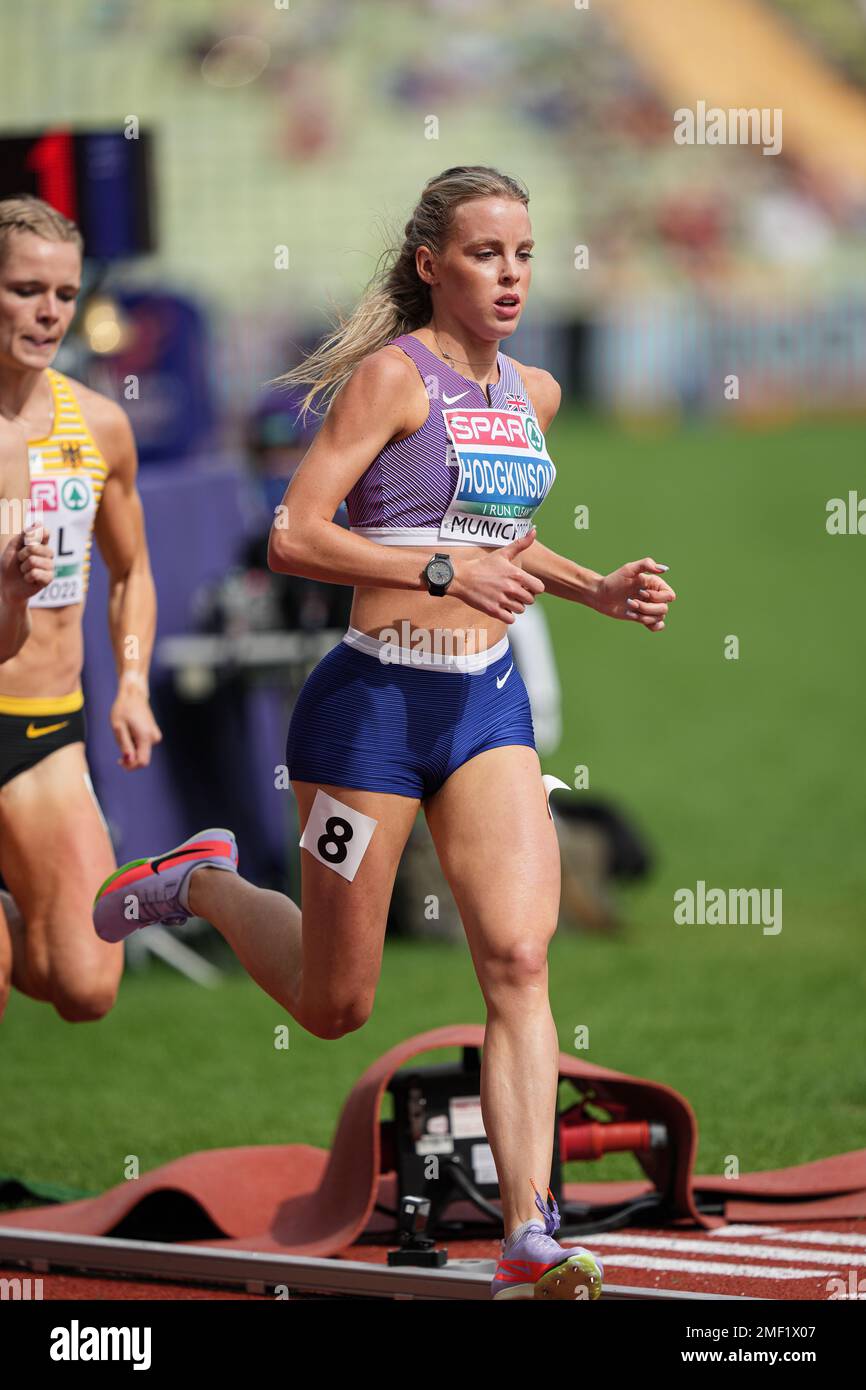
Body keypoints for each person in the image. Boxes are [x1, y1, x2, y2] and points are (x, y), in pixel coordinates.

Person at [94, 166, 676, 1299]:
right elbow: (296, 535)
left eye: (521, 254)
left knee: (514, 957)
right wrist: (437, 564)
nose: (507, 275)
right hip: (367, 711)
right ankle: (206, 880)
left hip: (484, 706)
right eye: (482, 254)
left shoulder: (535, 392)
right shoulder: (386, 381)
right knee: (332, 1003)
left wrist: (590, 585)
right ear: (430, 264)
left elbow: (502, 532)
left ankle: (526, 1228)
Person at [0, 194, 161, 1025]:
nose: (49, 311)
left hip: (41, 729)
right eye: (26, 289)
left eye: (64, 294)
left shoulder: (99, 425)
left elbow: (132, 574)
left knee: (87, 985)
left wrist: (130, 685)